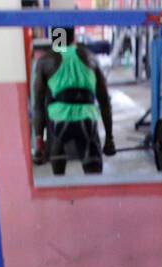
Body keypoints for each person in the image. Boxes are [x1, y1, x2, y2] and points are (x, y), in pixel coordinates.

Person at [32, 27, 116, 174]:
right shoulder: (90, 57)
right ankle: (94, 185)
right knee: (92, 163)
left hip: (60, 123)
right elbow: (104, 101)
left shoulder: (46, 60)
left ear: (54, 38)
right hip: (87, 121)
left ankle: (60, 184)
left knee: (56, 142)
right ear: (74, 37)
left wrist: (39, 144)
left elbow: (38, 106)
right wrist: (109, 139)